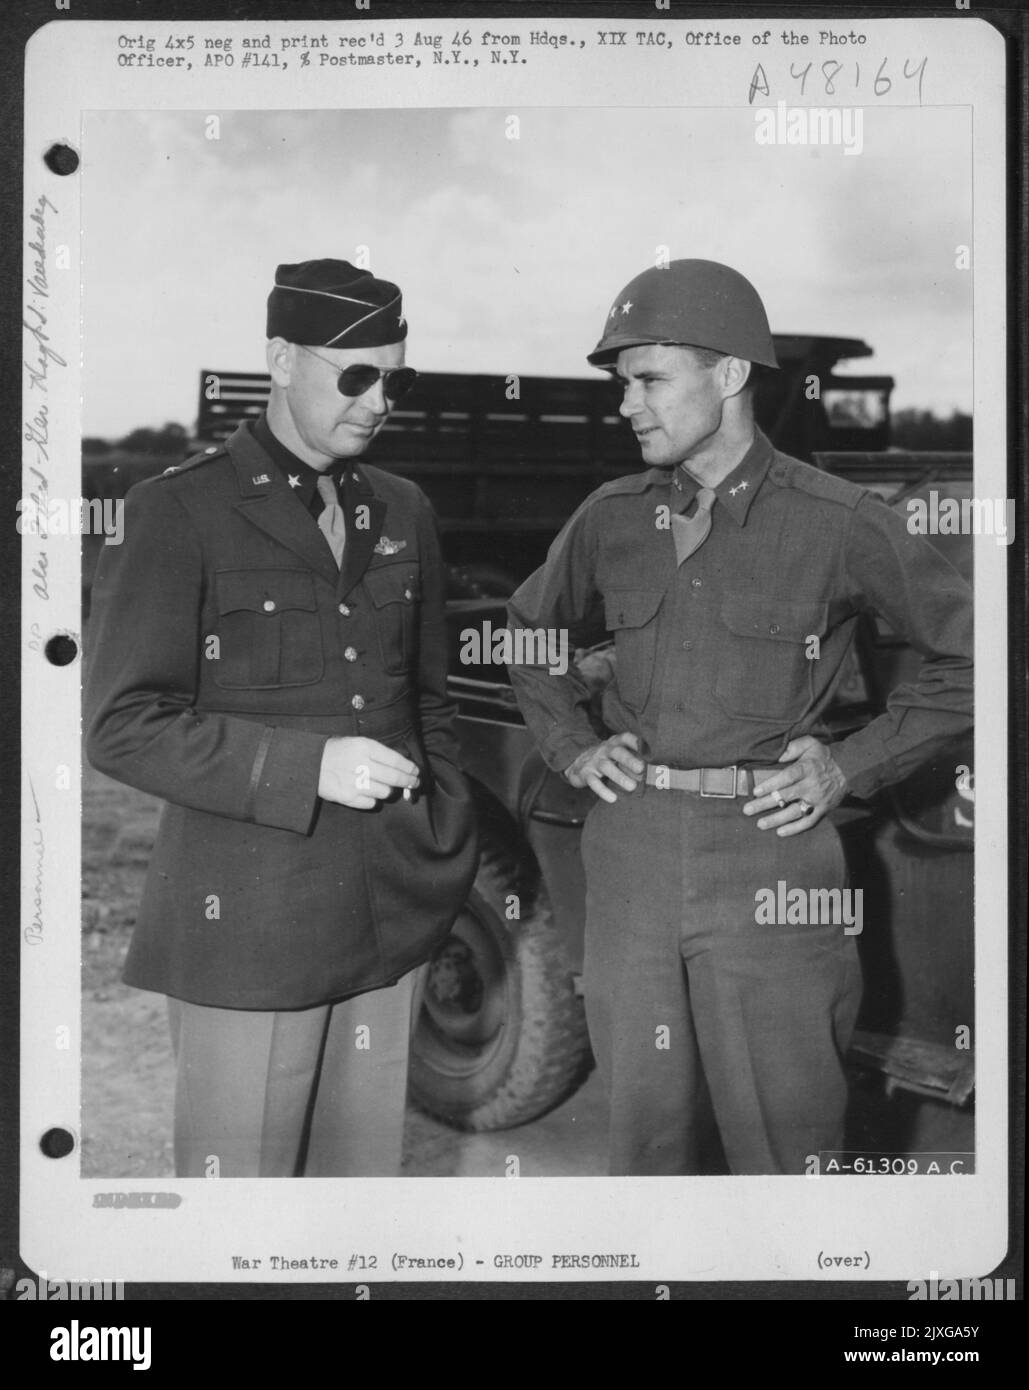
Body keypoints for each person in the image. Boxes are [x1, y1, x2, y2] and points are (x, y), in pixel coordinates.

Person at [505, 259, 973, 1176]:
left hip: (770, 859)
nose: (626, 405)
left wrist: (850, 765)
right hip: (631, 853)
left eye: (648, 379)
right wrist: (571, 742)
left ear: (727, 375)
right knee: (645, 1138)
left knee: (788, 1139)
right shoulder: (611, 516)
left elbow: (972, 655)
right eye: (621, 383)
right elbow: (527, 635)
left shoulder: (838, 522)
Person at [85, 258, 477, 1178]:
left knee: (357, 1197)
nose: (380, 401)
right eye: (356, 375)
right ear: (280, 359)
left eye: (396, 377)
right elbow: (121, 723)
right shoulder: (178, 509)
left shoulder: (402, 509)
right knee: (243, 1215)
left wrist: (442, 831)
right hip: (250, 928)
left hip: (389, 914)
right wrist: (308, 768)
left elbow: (430, 699)